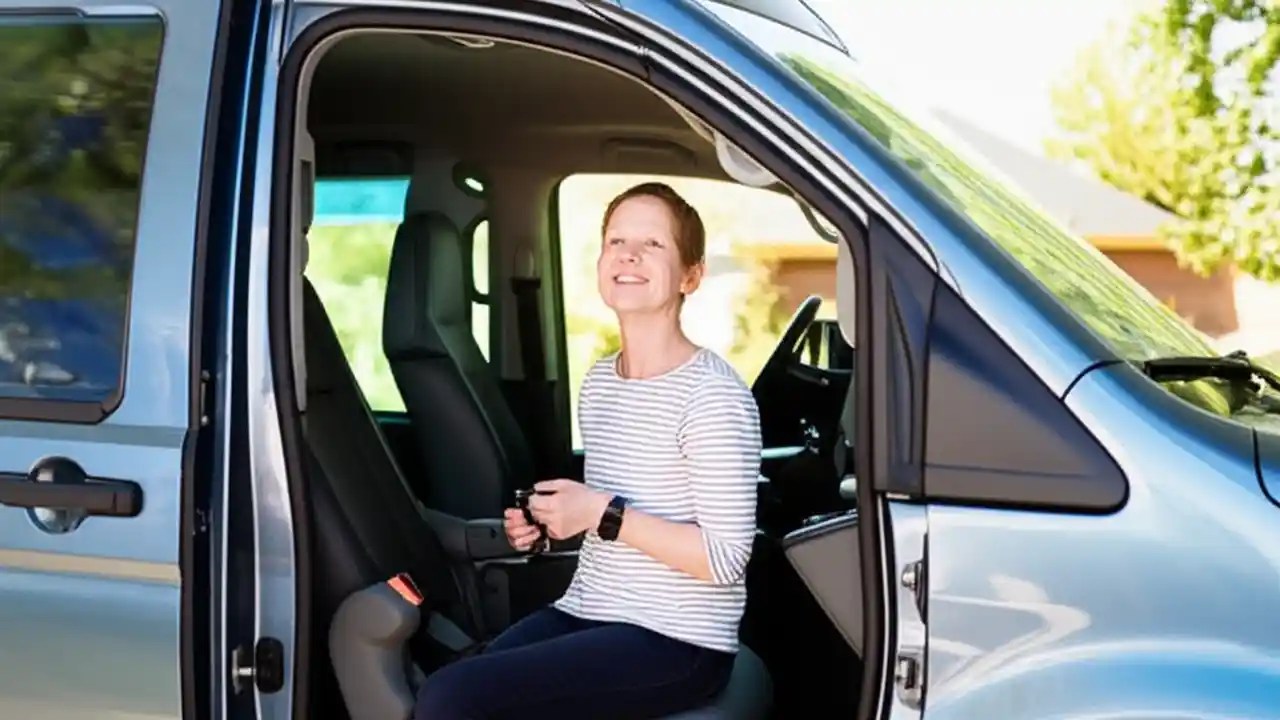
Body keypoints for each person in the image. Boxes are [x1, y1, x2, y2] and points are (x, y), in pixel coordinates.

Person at [413, 182, 762, 720]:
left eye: (653, 244)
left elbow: (724, 558)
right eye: (617, 240)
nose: (629, 254)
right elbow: (606, 524)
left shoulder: (714, 396)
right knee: (450, 682)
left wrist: (601, 513)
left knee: (451, 701)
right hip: (587, 610)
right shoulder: (601, 382)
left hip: (678, 640)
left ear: (691, 275)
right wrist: (550, 526)